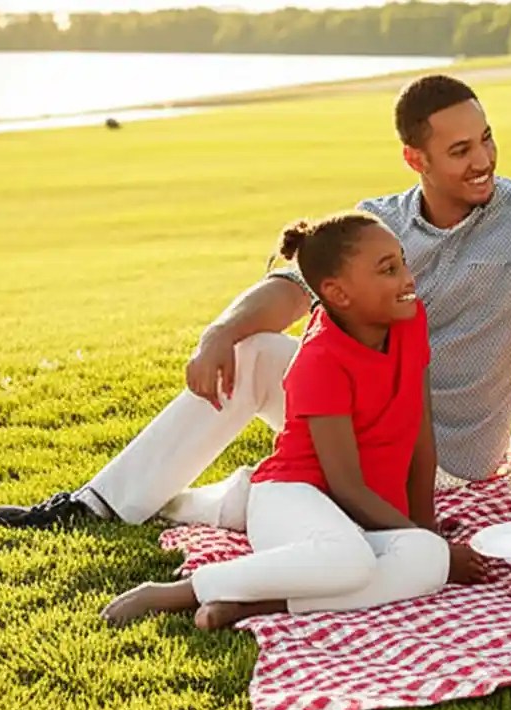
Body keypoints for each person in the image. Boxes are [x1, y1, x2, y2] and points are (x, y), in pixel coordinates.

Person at [0, 75, 511, 539]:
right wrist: (218, 333)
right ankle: (101, 505)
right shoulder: (378, 223)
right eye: (461, 150)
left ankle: (217, 499)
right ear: (416, 159)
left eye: (486, 140)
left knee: (280, 497)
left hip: (447, 461)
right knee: (251, 351)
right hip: (355, 418)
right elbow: (294, 286)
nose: (484, 160)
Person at [102, 212, 457, 628]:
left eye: (403, 262)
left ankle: (253, 607)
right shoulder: (320, 361)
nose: (407, 279)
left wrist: (426, 531)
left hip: (363, 521)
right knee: (350, 560)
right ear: (338, 293)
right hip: (293, 498)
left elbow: (420, 435)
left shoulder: (410, 322)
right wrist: (425, 539)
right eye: (389, 270)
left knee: (428, 561)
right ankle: (180, 592)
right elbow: (345, 486)